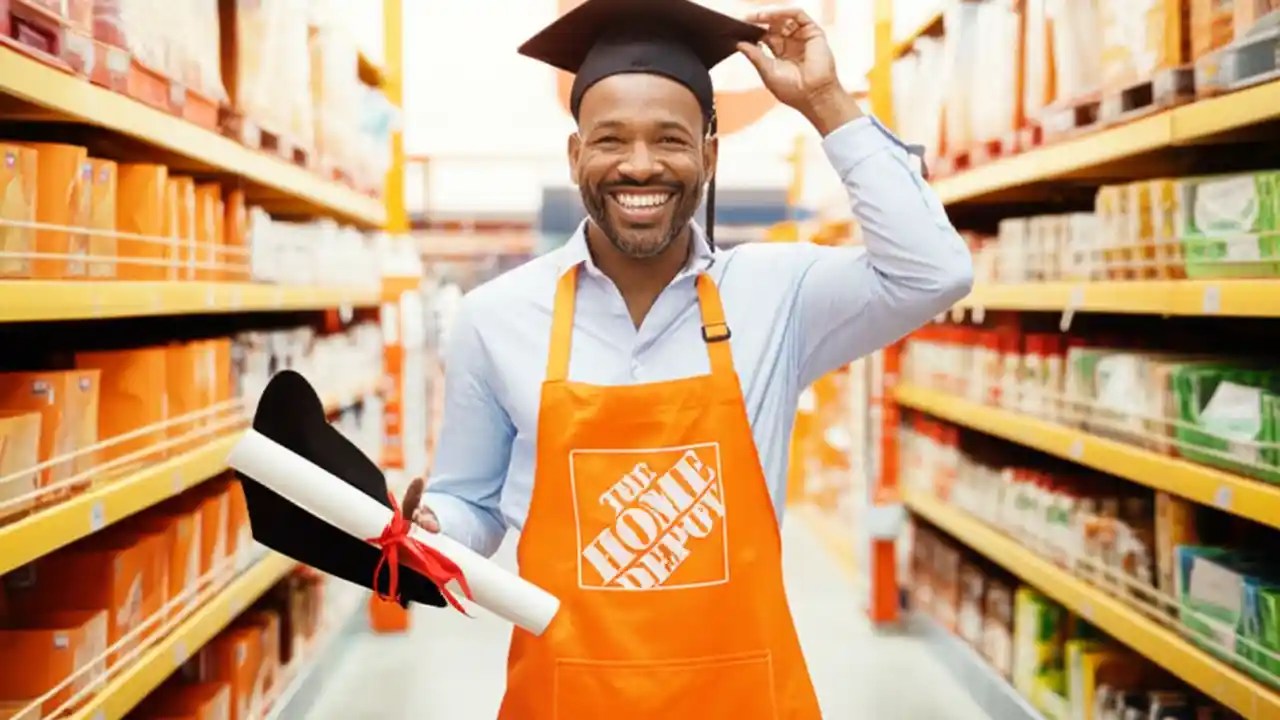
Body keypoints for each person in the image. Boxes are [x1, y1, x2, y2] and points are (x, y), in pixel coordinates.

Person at [403, 0, 973, 717]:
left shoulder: (778, 295)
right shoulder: (497, 317)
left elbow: (934, 272)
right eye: (611, 140)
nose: (639, 165)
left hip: (741, 698)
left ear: (709, 152)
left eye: (669, 139)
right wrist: (433, 530)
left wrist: (826, 102)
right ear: (576, 154)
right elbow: (472, 503)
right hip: (568, 697)